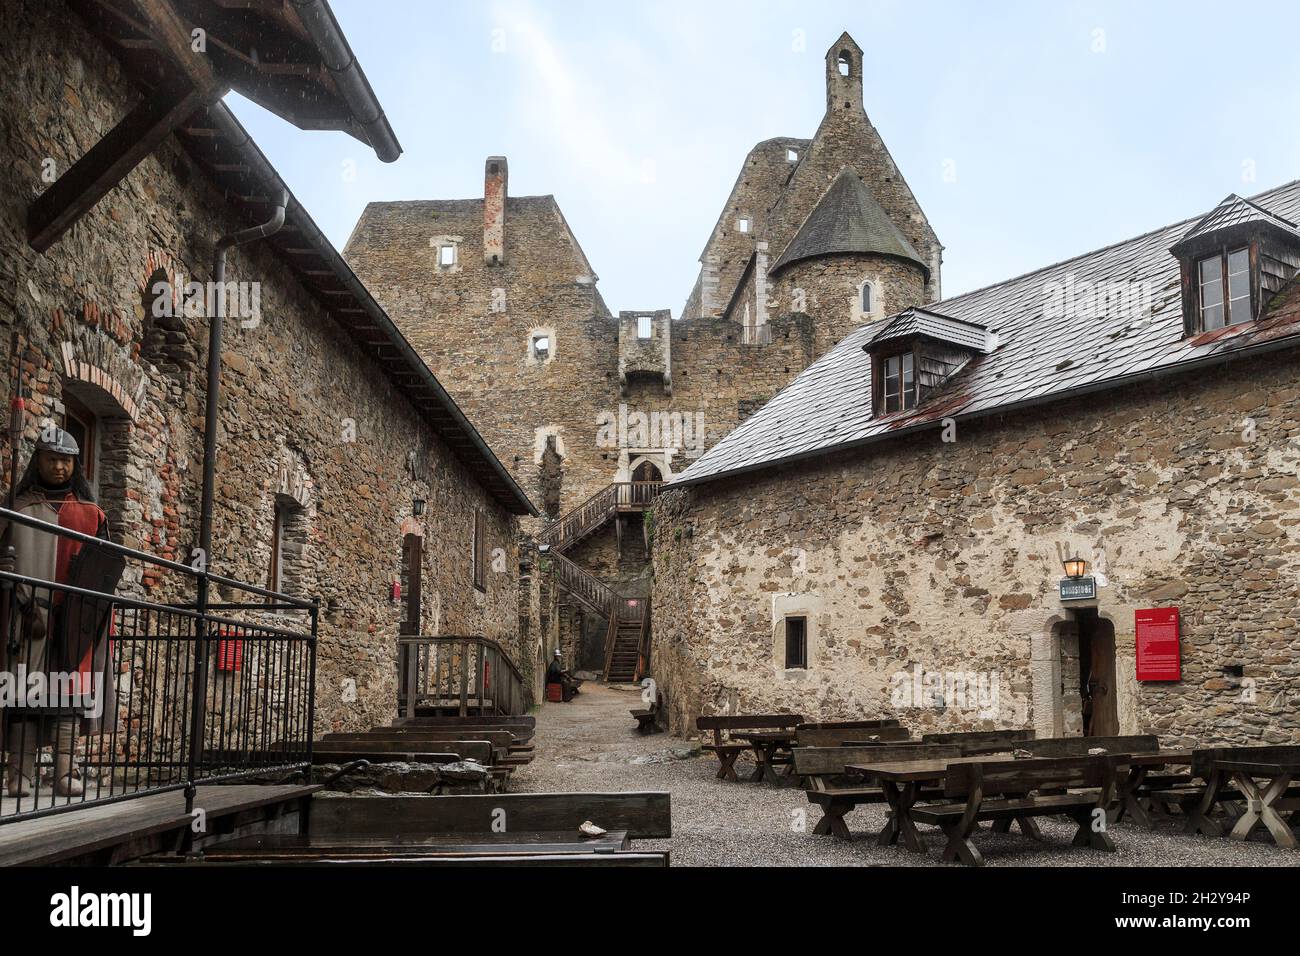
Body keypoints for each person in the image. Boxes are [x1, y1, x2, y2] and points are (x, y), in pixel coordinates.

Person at [0, 428, 115, 798]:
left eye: (66, 460)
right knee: (23, 694)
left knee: (69, 697)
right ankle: (20, 775)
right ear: (39, 461)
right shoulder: (16, 509)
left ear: (75, 465)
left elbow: (105, 569)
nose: (60, 466)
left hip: (73, 619)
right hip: (26, 615)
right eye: (52, 458)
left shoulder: (91, 514)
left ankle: (66, 772)